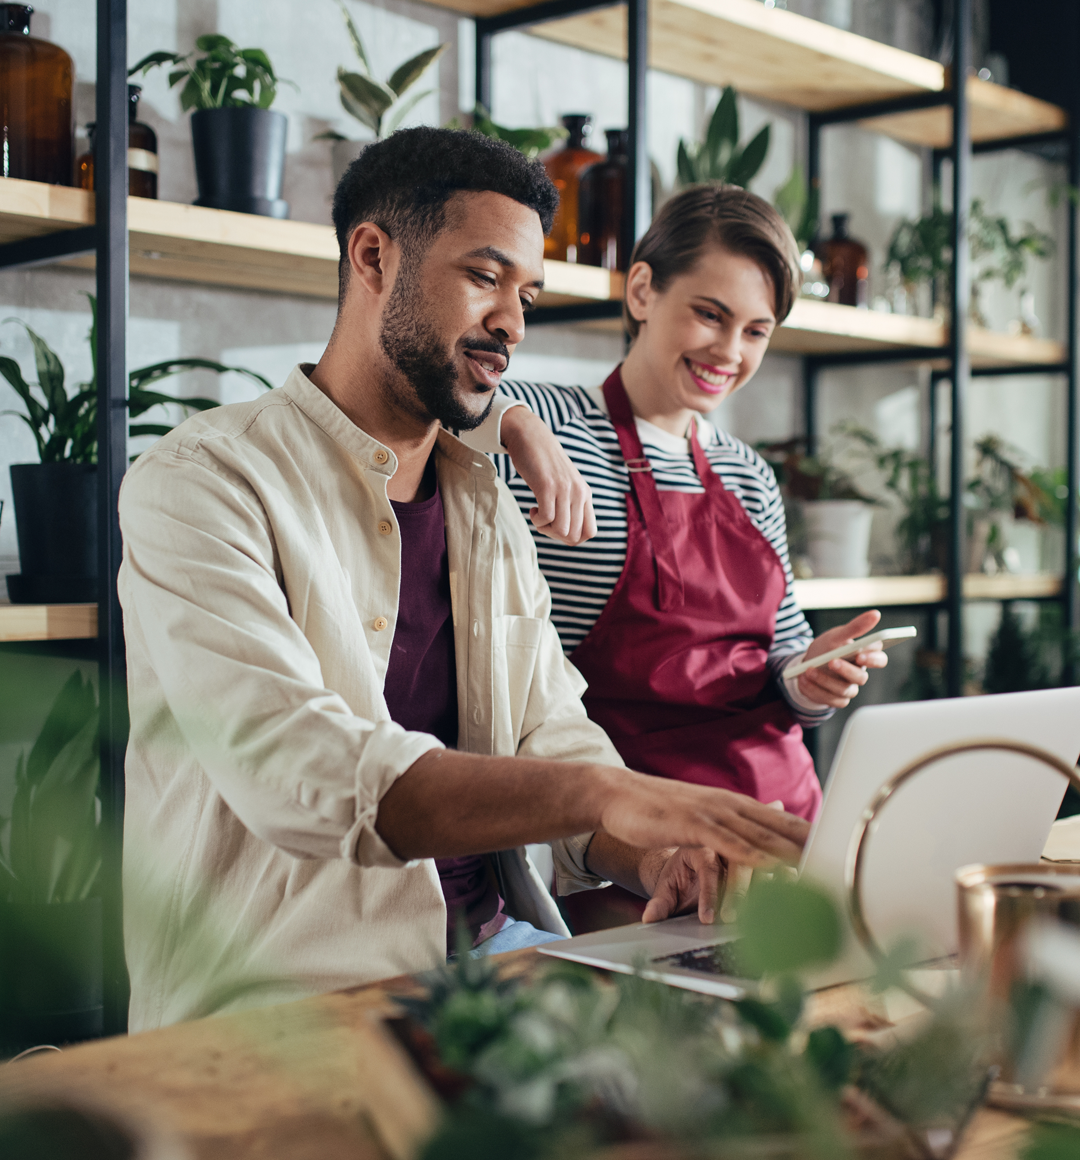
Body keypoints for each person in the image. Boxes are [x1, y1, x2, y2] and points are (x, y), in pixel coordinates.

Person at [117, 130, 809, 1031]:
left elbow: (551, 732)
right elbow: (298, 770)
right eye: (486, 278)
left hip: (496, 963)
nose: (514, 325)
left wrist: (650, 855)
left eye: (527, 295)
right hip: (286, 1009)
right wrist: (614, 793)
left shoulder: (482, 499)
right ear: (373, 256)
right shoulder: (203, 482)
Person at [460, 185, 888, 925]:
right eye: (710, 315)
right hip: (639, 854)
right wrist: (520, 428)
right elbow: (428, 395)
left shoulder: (749, 473)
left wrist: (809, 678)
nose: (729, 352)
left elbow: (778, 665)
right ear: (642, 290)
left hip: (781, 831)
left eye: (757, 331)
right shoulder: (553, 422)